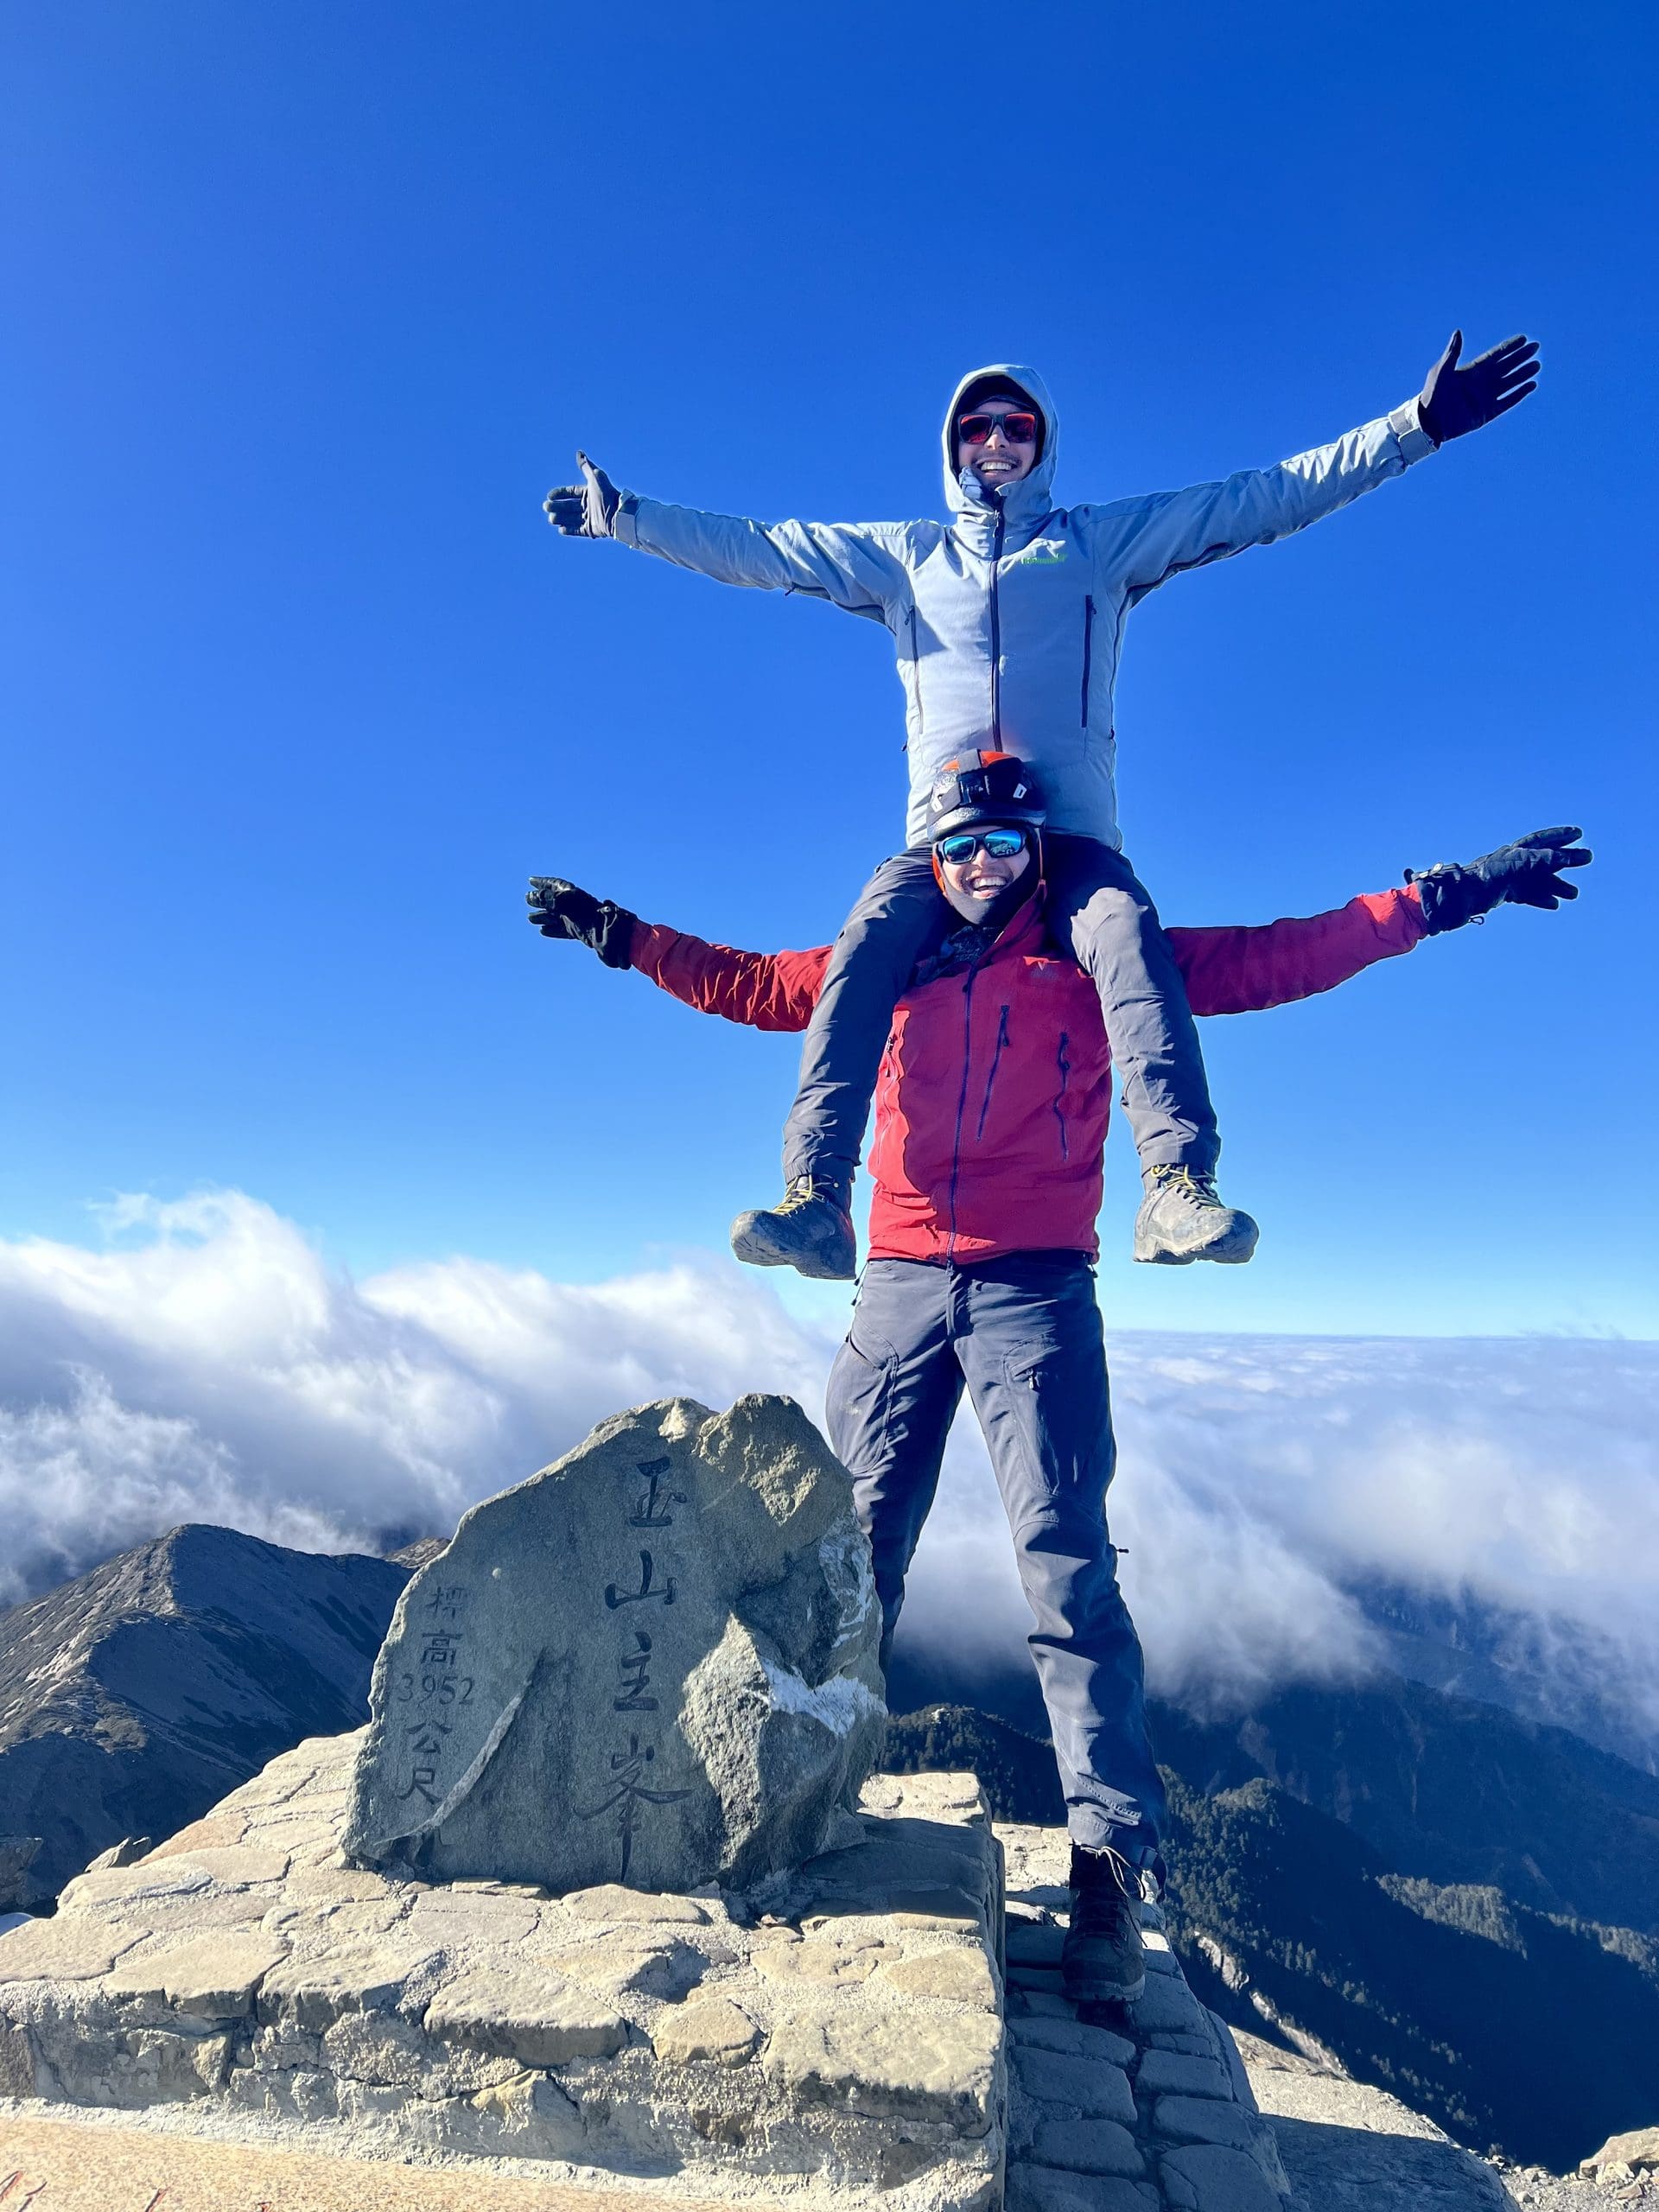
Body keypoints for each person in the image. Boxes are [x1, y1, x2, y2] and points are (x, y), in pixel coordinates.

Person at [525, 763, 1588, 2001]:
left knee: (1067, 1571)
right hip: (898, 1291)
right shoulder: (891, 967)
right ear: (935, 856)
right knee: (850, 1557)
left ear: (1041, 849)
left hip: (1037, 1289)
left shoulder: (1096, 962)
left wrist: (1448, 896)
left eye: (1008, 844)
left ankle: (1107, 1877)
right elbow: (755, 987)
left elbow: (1290, 953)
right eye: (962, 844)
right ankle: (802, 1805)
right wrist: (620, 937)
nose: (984, 864)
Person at [545, 336, 1541, 1282]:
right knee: (860, 954)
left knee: (1127, 942)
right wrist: (624, 518)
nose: (995, 444)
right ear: (951, 445)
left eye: (1015, 426)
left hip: (1069, 848)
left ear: (1044, 441)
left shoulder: (1098, 548)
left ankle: (1174, 1187)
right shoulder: (905, 558)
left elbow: (1262, 499)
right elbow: (762, 548)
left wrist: (1414, 427)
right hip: (941, 846)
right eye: (975, 428)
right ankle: (815, 1197)